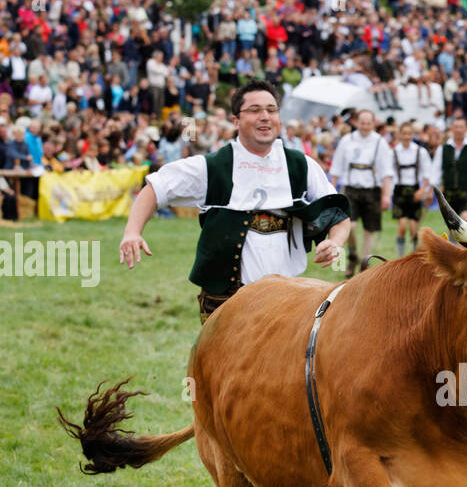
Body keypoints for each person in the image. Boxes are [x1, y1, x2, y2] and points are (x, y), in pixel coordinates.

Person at [119, 79, 352, 323]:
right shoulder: (212, 166)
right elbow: (155, 188)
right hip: (227, 300)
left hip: (289, 300)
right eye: (254, 110)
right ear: (235, 120)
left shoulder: (301, 165)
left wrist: (335, 242)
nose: (265, 116)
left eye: (271, 110)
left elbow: (339, 214)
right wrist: (132, 232)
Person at [329, 109, 395, 275]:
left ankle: (363, 267)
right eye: (362, 123)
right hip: (351, 189)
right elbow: (336, 167)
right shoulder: (347, 140)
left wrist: (386, 195)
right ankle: (353, 255)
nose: (365, 126)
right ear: (357, 123)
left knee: (369, 230)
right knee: (349, 226)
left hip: (372, 189)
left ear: (373, 124)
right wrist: (331, 191)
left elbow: (386, 171)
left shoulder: (380, 142)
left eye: (368, 123)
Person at [433, 115, 467, 222]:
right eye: (456, 127)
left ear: (466, 129)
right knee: (452, 226)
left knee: (466, 221)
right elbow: (436, 173)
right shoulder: (442, 149)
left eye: (461, 127)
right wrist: (431, 193)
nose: (458, 130)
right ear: (451, 128)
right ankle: (452, 239)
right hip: (449, 193)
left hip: (466, 192)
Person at [390, 120, 432, 258]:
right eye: (404, 133)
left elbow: (427, 173)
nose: (407, 136)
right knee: (402, 226)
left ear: (413, 134)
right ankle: (400, 257)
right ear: (399, 135)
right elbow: (390, 173)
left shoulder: (420, 151)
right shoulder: (394, 151)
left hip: (415, 189)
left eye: (409, 134)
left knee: (414, 228)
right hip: (399, 190)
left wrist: (422, 190)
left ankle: (413, 256)